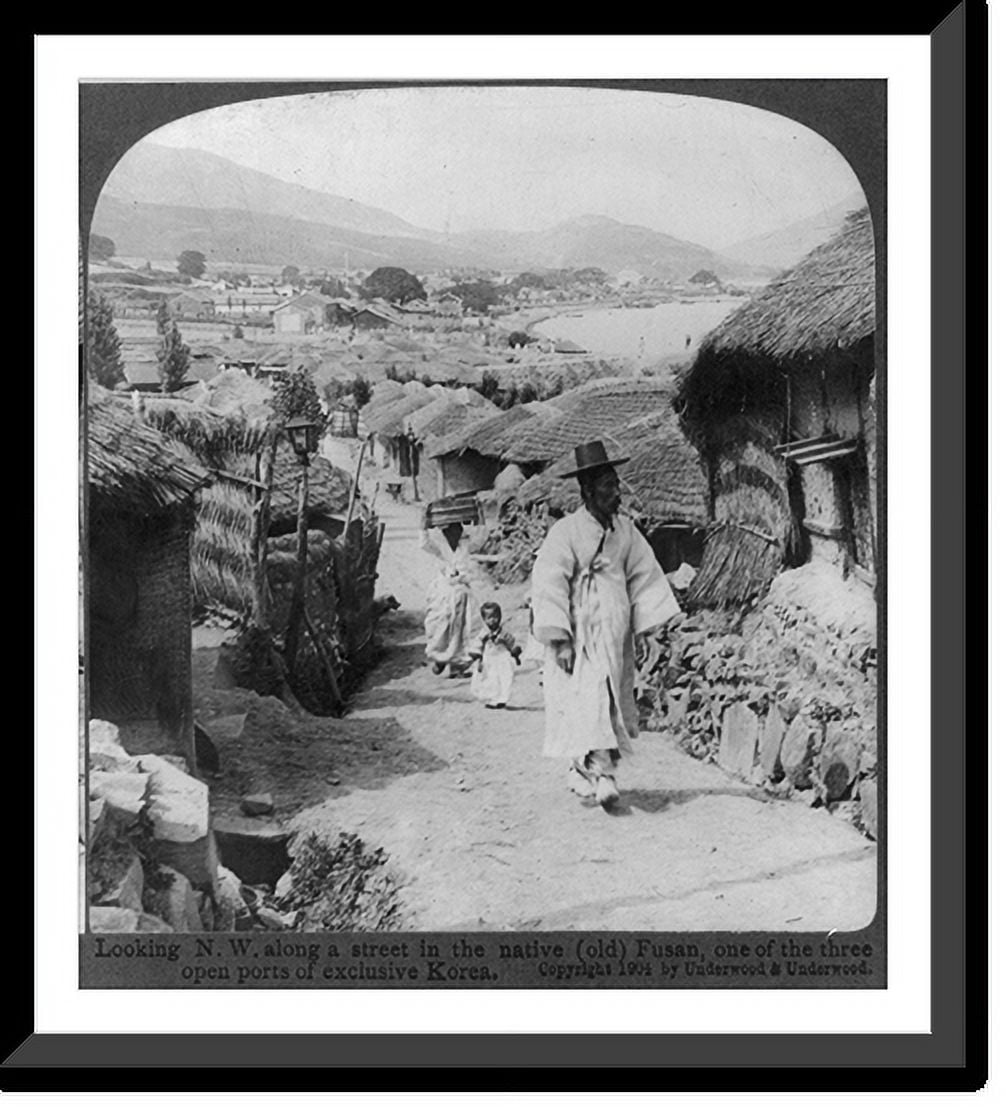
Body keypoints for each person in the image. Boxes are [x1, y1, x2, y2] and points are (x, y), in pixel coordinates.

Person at [530, 441, 680, 810]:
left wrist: (646, 629)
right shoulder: (565, 532)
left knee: (608, 700)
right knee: (590, 697)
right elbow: (548, 582)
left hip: (614, 631)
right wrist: (559, 639)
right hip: (580, 632)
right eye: (608, 486)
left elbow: (644, 577)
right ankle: (603, 773)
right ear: (587, 491)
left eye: (616, 485)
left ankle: (585, 768)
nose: (616, 494)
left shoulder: (625, 532)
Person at [421, 519, 479, 677]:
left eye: (458, 531)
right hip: (443, 592)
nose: (455, 534)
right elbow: (424, 543)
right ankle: (440, 658)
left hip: (462, 591)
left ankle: (456, 666)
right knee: (440, 626)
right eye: (450, 531)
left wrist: (479, 515)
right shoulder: (440, 547)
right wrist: (423, 523)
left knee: (463, 629)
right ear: (444, 533)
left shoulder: (465, 546)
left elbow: (482, 537)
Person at [468, 601, 522, 709]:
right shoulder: (483, 634)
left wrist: (514, 651)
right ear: (484, 619)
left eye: (496, 617)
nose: (493, 620)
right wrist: (477, 656)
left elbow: (511, 642)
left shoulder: (504, 633)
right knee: (492, 679)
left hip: (502, 657)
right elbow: (478, 644)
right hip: (490, 659)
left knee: (505, 677)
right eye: (489, 618)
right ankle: (493, 699)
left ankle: (503, 699)